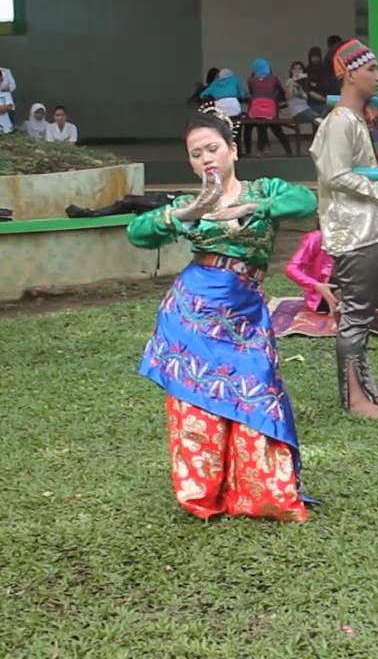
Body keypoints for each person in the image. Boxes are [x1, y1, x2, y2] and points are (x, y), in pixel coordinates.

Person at [127, 106, 318, 522]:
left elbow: (305, 200)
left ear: (233, 150)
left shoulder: (262, 190)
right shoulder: (190, 203)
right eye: (196, 154)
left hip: (246, 311)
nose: (206, 159)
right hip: (192, 311)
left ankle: (262, 495)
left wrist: (255, 209)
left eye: (212, 149)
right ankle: (203, 496)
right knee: (197, 404)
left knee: (257, 389)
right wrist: (179, 215)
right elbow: (137, 233)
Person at [311, 39, 378, 420]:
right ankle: (354, 398)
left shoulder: (361, 119)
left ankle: (368, 389)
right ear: (350, 74)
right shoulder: (340, 122)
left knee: (363, 316)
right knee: (355, 316)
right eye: (371, 69)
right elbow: (335, 175)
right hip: (355, 233)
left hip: (375, 227)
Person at [245, 58, 292, 156]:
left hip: (256, 111)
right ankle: (289, 151)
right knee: (277, 130)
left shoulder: (251, 80)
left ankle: (258, 151)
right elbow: (281, 92)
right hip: (271, 110)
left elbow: (252, 93)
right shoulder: (274, 79)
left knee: (260, 126)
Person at [285, 229, 338, 314]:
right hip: (324, 298)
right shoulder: (317, 237)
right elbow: (292, 268)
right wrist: (316, 285)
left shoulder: (357, 237)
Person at [285, 61, 321, 126]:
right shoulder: (289, 81)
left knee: (326, 108)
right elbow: (288, 97)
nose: (297, 71)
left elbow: (311, 94)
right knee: (319, 120)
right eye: (294, 69)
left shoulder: (303, 84)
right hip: (298, 112)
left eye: (300, 69)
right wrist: (292, 81)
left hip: (307, 109)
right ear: (291, 71)